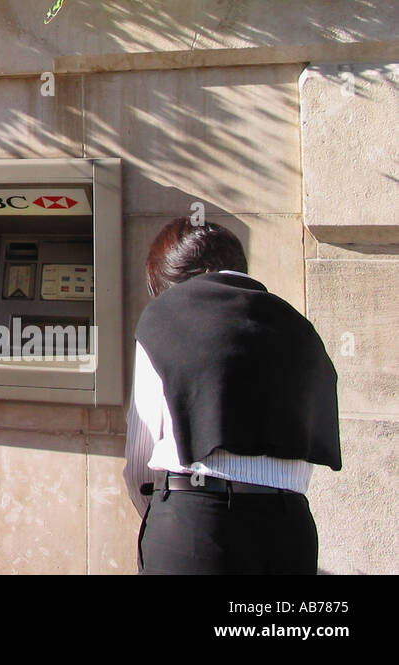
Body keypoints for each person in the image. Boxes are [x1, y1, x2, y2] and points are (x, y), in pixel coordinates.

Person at [123, 218, 342, 575]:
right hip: (289, 529)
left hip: (194, 523)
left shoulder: (165, 318)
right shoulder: (300, 330)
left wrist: (161, 513)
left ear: (167, 280)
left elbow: (139, 458)